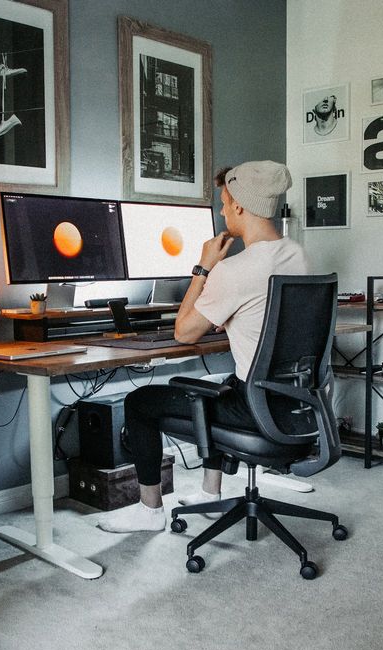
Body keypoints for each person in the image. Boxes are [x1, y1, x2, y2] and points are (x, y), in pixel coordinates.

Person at [98, 160, 310, 533]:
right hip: (294, 402)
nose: (223, 210)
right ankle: (211, 495)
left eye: (225, 203)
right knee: (222, 384)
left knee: (140, 402)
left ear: (241, 206)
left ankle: (149, 512)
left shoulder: (236, 269)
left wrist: (203, 266)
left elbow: (184, 333)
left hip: (256, 411)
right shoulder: (298, 255)